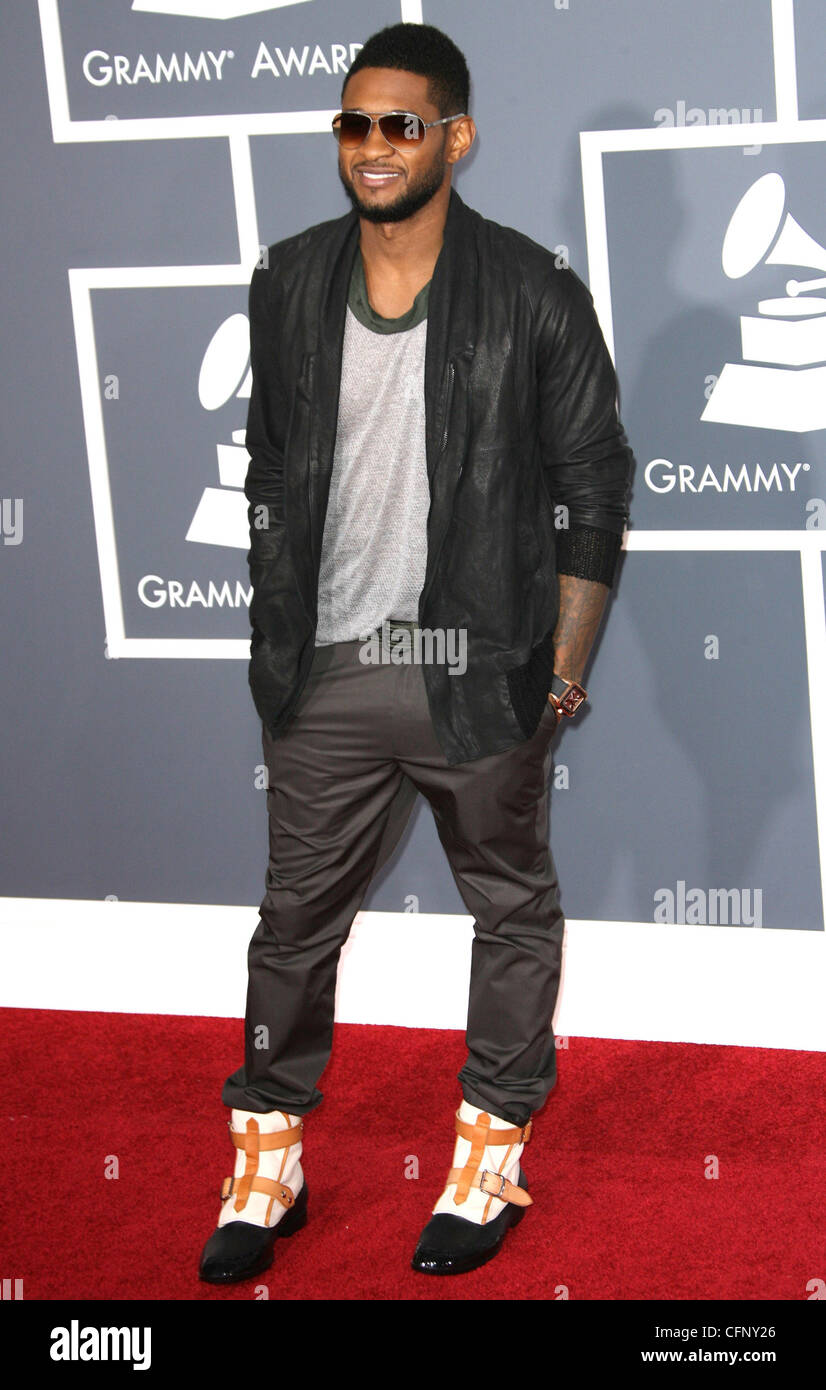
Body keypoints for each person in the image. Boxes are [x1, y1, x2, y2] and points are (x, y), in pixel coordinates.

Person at [198, 20, 633, 1284]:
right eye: (352, 124)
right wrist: (277, 620)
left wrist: (559, 665)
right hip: (325, 666)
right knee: (292, 926)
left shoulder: (533, 289)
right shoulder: (285, 279)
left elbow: (593, 488)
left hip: (476, 662)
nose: (373, 147)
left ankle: (489, 1156)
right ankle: (267, 1161)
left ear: (456, 135)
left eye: (400, 124)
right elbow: (272, 467)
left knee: (508, 910)